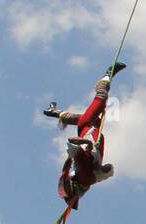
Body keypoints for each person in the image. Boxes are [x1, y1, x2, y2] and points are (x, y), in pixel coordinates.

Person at [43, 62, 126, 210]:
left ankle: (108, 75)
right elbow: (108, 169)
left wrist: (86, 144)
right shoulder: (87, 178)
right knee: (87, 116)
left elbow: (72, 144)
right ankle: (56, 113)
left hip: (88, 129)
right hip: (92, 129)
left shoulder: (84, 176)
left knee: (100, 98)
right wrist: (100, 167)